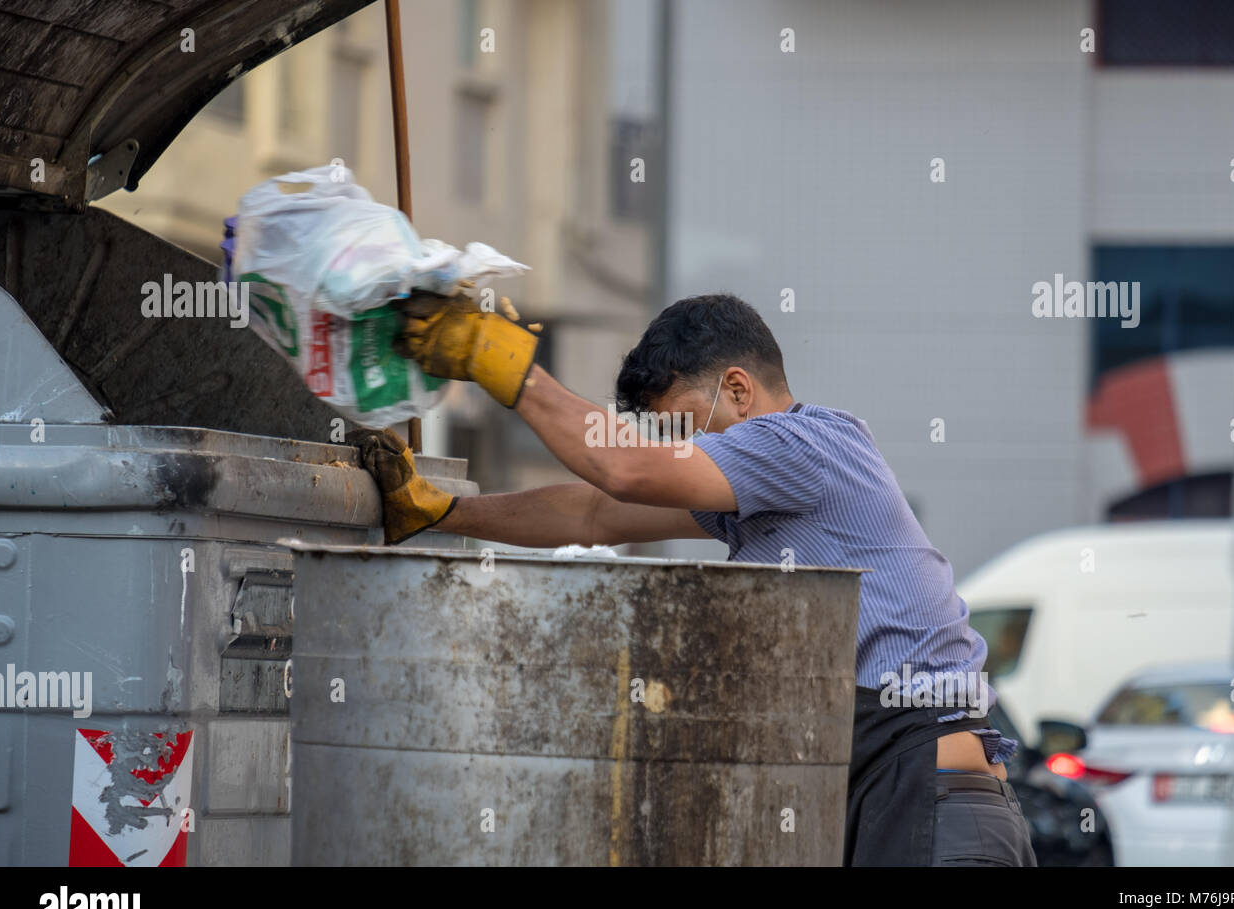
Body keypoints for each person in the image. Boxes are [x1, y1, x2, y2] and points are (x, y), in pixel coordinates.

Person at [350, 291, 1038, 867]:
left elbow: (625, 469)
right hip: (893, 807)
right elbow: (598, 510)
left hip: (937, 813)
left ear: (738, 390)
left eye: (682, 429)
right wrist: (447, 512)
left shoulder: (807, 445)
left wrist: (504, 367)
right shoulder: (763, 495)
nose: (683, 451)